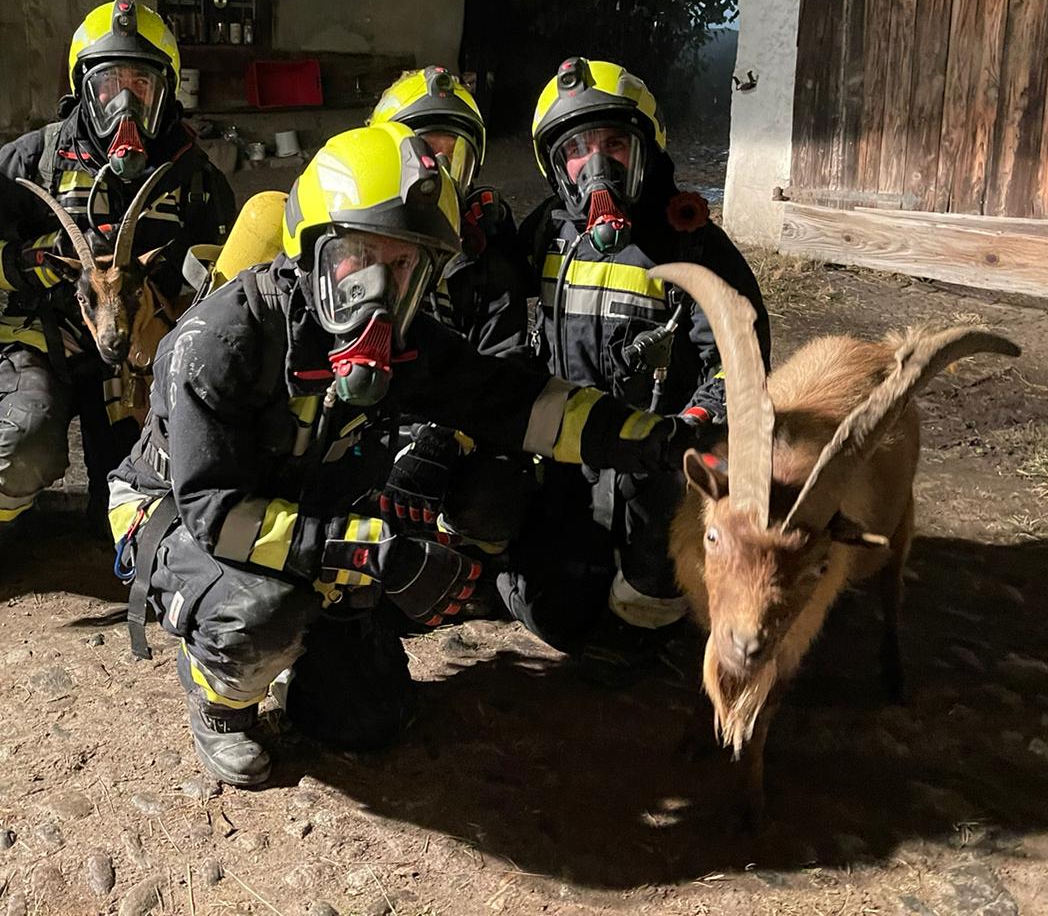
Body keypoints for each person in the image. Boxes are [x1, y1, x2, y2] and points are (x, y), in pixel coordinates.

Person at [106, 122, 702, 786]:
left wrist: (646, 436)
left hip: (298, 509)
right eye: (358, 257)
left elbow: (518, 403)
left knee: (370, 719)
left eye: (402, 265)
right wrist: (375, 556)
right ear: (310, 249)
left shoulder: (410, 344)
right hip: (177, 512)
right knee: (260, 614)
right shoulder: (220, 341)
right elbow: (219, 513)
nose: (379, 292)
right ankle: (218, 694)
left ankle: (294, 647)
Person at [0, 0, 235, 596]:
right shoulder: (30, 160)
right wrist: (27, 265)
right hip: (43, 337)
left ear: (167, 92)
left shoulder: (195, 175)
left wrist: (175, 281)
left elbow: (219, 278)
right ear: (84, 91)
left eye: (141, 84)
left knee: (140, 475)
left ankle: (110, 520)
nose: (125, 103)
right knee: (24, 436)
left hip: (132, 355)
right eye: (109, 85)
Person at [507, 57, 770, 653]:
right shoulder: (546, 232)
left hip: (657, 463)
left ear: (646, 148)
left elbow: (743, 363)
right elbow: (485, 313)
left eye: (613, 143)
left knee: (647, 615)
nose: (595, 165)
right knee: (556, 616)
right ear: (556, 166)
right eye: (576, 148)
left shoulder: (693, 244)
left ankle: (649, 585)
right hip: (568, 455)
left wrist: (695, 428)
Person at [365, 67, 537, 555]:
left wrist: (442, 439)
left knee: (495, 498)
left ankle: (464, 565)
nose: (435, 174)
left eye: (452, 156)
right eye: (422, 153)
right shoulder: (349, 247)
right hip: (364, 425)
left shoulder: (487, 262)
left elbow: (502, 367)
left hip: (447, 432)